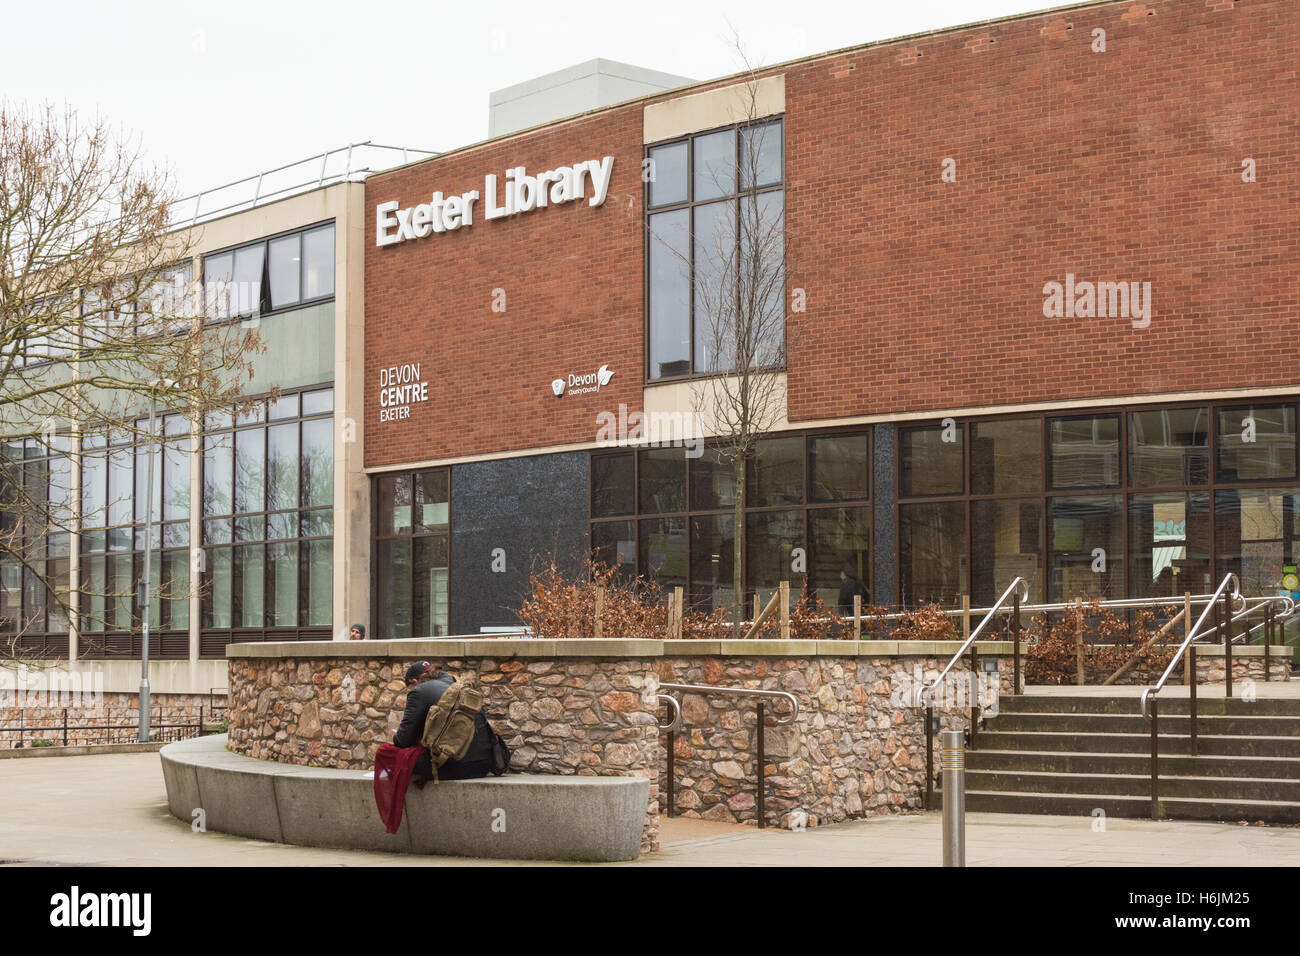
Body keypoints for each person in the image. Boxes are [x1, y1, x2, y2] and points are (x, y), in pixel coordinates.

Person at [393, 661, 495, 781]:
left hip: (457, 767)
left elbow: (403, 740)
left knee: (387, 754)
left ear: (414, 682)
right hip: (485, 764)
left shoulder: (418, 691)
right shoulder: (458, 684)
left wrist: (395, 735)